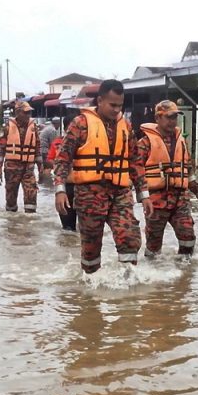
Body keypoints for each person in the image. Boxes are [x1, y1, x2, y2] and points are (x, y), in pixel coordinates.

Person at [53, 79, 153, 273]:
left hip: (120, 193)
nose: (117, 110)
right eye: (112, 105)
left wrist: (144, 194)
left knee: (129, 236)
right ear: (100, 100)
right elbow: (62, 159)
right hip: (90, 194)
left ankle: (128, 284)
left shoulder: (126, 126)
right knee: (91, 248)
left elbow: (135, 162)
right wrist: (60, 190)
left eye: (120, 105)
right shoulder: (80, 124)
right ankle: (90, 289)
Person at [137, 101, 198, 258]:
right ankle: (153, 275)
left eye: (175, 117)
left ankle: (184, 276)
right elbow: (136, 173)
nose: (173, 121)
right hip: (156, 202)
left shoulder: (181, 142)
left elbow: (188, 172)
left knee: (188, 236)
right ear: (158, 118)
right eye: (169, 117)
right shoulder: (144, 143)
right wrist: (142, 197)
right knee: (153, 246)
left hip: (180, 200)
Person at [0, 101, 41, 213]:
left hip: (28, 169)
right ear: (18, 112)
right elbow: (0, 150)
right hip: (12, 169)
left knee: (31, 195)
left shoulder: (33, 127)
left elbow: (37, 149)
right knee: (11, 198)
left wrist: (41, 167)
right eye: (25, 112)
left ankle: (30, 223)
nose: (28, 115)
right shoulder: (7, 128)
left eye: (29, 113)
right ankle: (12, 224)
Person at [47, 134, 75, 231]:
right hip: (66, 185)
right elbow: (50, 159)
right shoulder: (57, 143)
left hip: (81, 187)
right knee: (68, 227)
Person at [39, 117, 62, 185]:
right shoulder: (52, 130)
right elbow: (54, 144)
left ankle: (42, 181)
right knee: (48, 167)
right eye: (59, 124)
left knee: (44, 166)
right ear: (57, 124)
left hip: (41, 150)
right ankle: (47, 182)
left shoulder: (48, 128)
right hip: (45, 150)